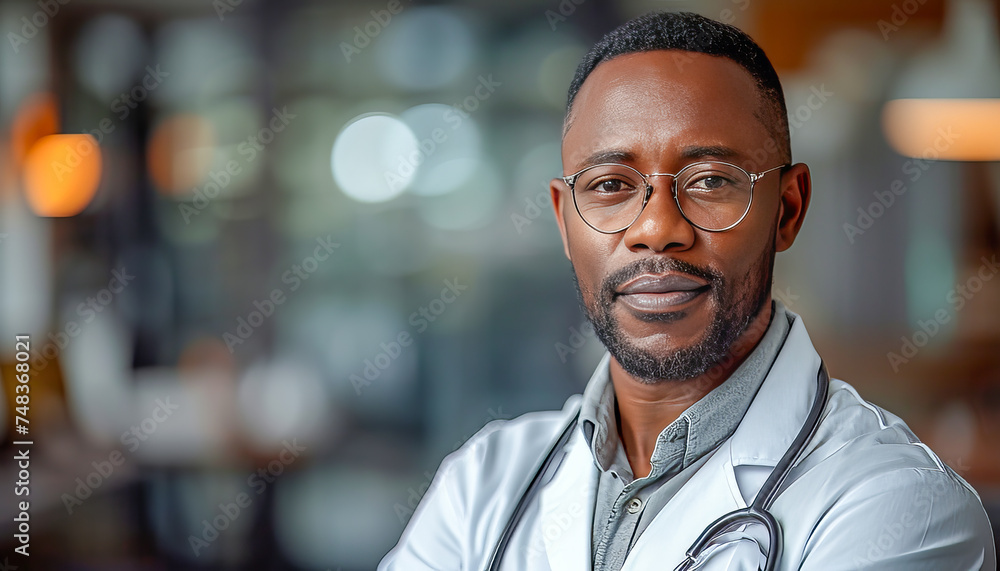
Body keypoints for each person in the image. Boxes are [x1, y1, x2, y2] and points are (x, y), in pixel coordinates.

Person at [379, 11, 996, 570]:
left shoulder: (900, 508)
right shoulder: (483, 484)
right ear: (564, 220)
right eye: (612, 185)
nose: (656, 229)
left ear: (787, 209)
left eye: (708, 181)